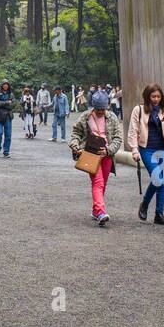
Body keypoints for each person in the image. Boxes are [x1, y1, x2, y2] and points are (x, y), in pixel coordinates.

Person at [70, 89, 123, 226]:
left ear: (107, 107)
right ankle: (100, 212)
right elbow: (76, 132)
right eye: (98, 109)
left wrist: (108, 150)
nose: (100, 112)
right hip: (89, 154)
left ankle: (95, 210)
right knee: (98, 182)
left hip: (106, 154)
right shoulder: (85, 116)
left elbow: (117, 138)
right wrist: (75, 145)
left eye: (102, 109)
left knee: (102, 184)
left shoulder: (112, 117)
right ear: (93, 106)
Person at [127, 84, 164, 226]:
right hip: (146, 149)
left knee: (162, 182)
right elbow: (133, 131)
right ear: (148, 96)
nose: (156, 99)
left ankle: (159, 214)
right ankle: (145, 203)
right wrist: (134, 150)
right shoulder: (139, 110)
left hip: (162, 148)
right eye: (153, 96)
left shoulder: (163, 109)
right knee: (157, 178)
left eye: (158, 96)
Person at [0, 80, 16, 157]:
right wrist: (6, 102)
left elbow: (13, 105)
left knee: (8, 135)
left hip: (8, 116)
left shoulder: (11, 94)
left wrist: (2, 104)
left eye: (7, 85)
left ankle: (6, 151)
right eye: (4, 84)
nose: (5, 86)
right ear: (2, 85)